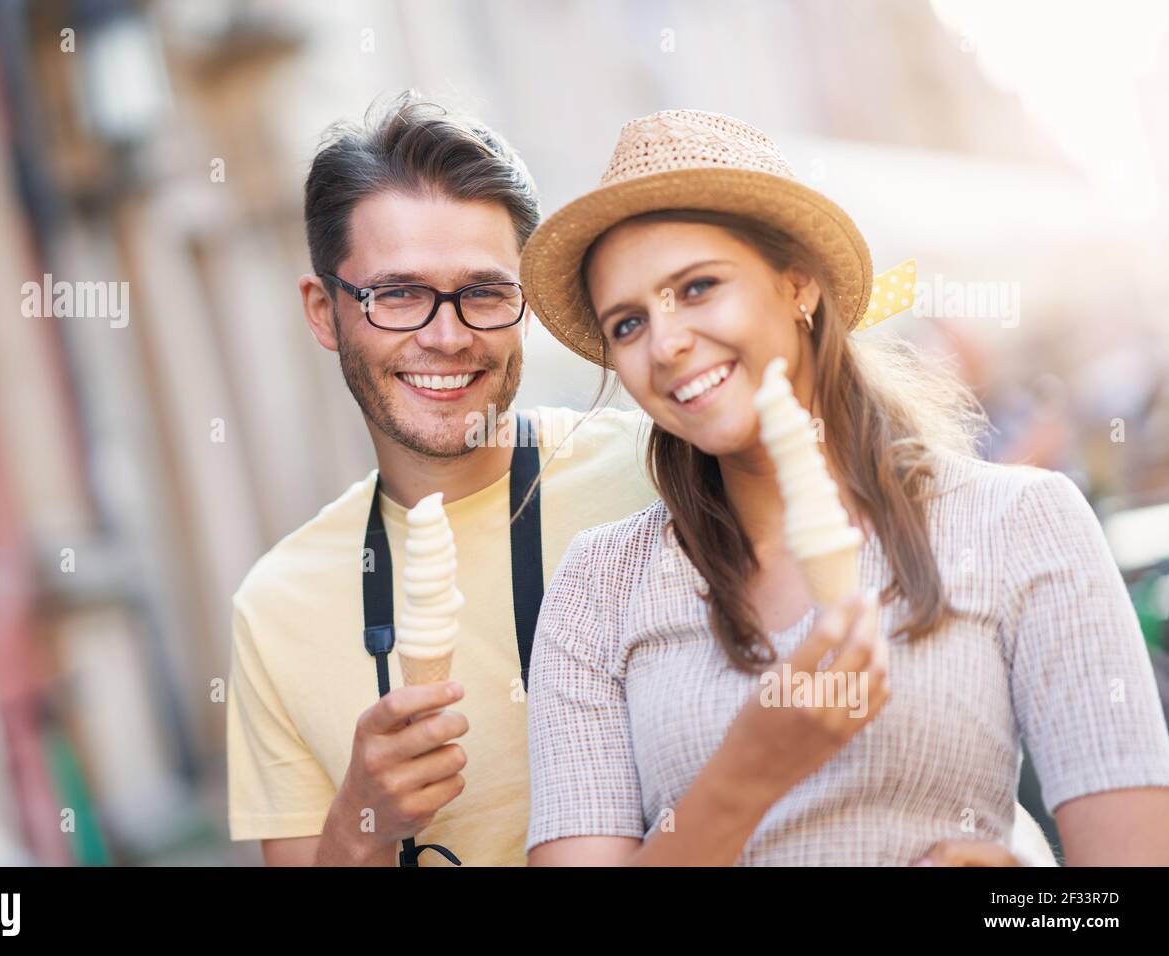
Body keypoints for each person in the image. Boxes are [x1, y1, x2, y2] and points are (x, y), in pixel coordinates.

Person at [518, 109, 1169, 865]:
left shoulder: (1018, 521)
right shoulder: (598, 587)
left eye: (697, 287)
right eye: (627, 324)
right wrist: (746, 775)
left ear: (799, 286)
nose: (665, 344)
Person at [225, 93, 659, 866]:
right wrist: (361, 818)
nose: (448, 335)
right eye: (398, 295)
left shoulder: (656, 474)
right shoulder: (275, 607)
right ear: (324, 312)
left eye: (485, 292)